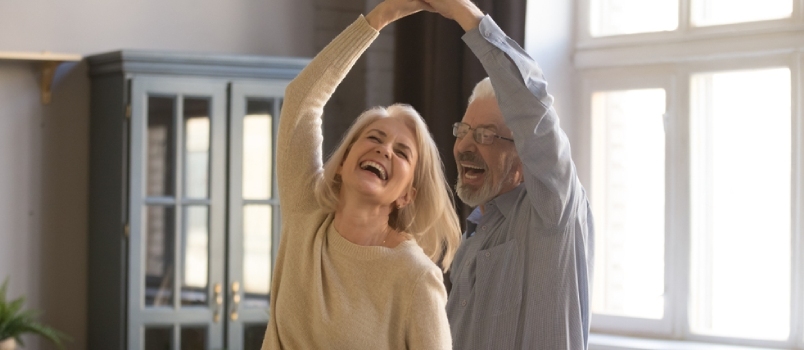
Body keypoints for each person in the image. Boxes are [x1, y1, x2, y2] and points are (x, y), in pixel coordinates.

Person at [259, 0, 462, 349]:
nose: (384, 150)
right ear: (344, 158)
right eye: (374, 137)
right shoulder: (306, 215)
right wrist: (378, 19)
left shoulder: (415, 277)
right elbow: (301, 101)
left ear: (407, 194)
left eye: (402, 152)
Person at [422, 0, 595, 349]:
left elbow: (533, 108)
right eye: (464, 130)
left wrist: (464, 14)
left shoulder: (553, 212)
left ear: (525, 152)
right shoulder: (473, 239)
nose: (465, 146)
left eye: (485, 135)